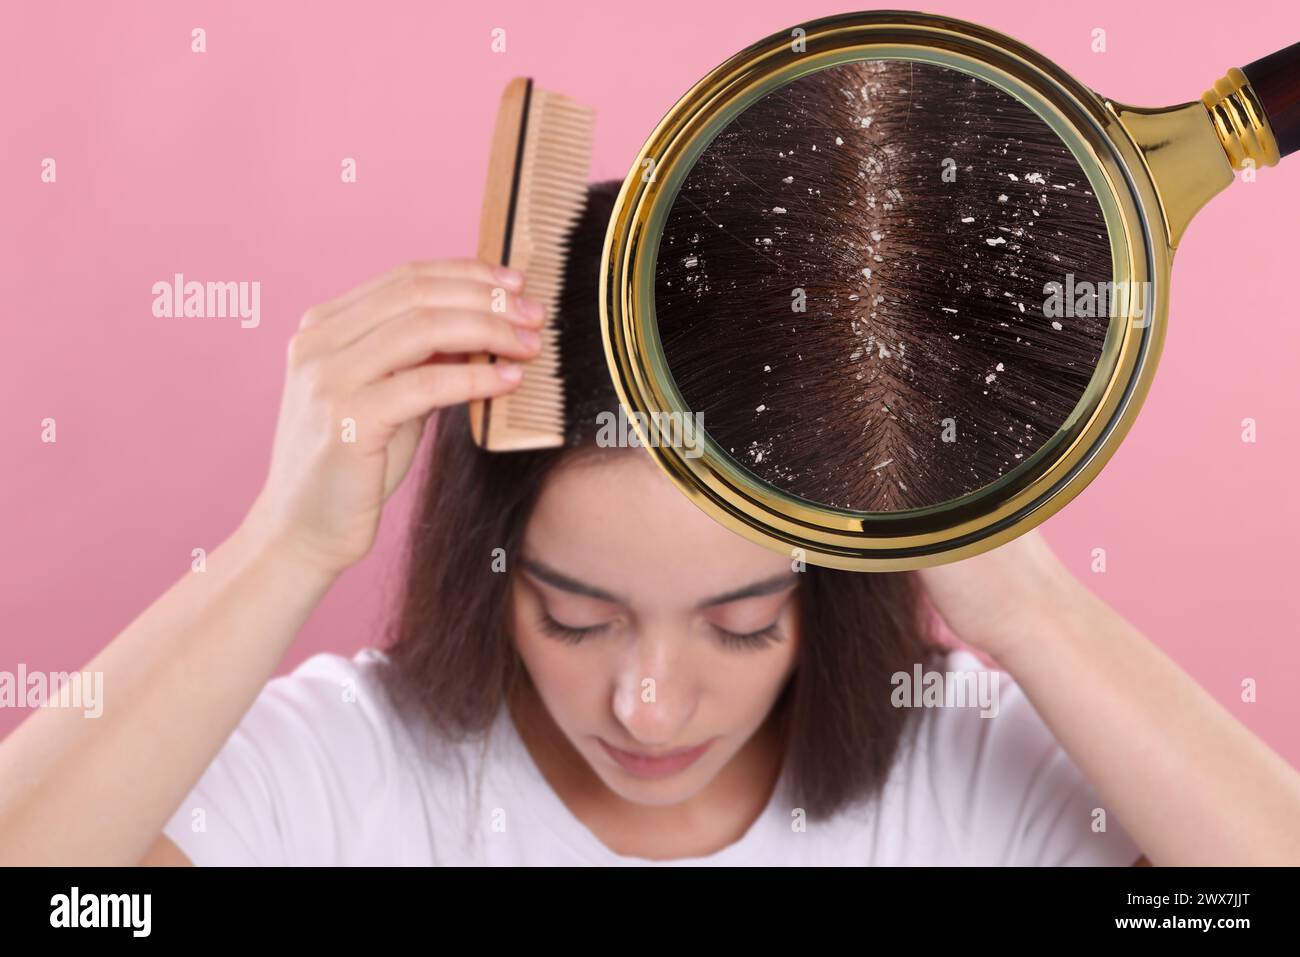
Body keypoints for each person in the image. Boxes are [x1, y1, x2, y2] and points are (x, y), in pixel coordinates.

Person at [1, 181, 1297, 866]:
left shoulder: (965, 774)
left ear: (832, 583)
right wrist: (279, 550)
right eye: (574, 614)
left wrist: (1035, 606)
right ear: (484, 567)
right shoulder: (345, 770)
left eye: (741, 623)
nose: (650, 707)